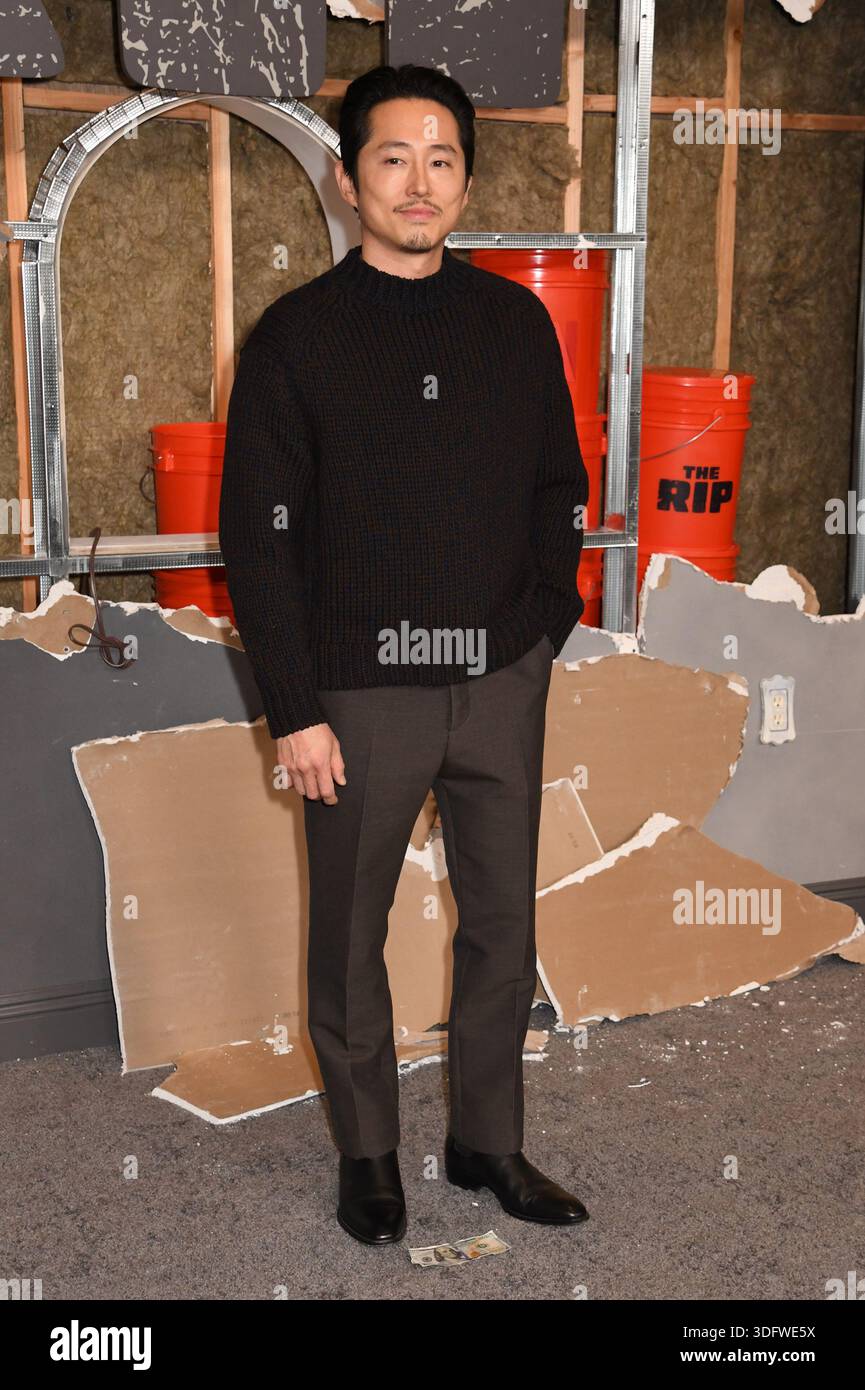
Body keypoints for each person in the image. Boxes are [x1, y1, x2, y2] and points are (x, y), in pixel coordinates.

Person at [218, 63, 590, 1246]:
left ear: (464, 178)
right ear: (346, 177)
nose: (417, 182)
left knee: (502, 926)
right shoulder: (294, 340)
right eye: (391, 158)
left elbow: (556, 491)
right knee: (348, 935)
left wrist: (539, 634)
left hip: (498, 683)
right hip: (357, 694)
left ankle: (487, 1140)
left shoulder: (513, 323)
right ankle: (368, 1153)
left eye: (441, 160)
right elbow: (257, 544)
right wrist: (296, 709)